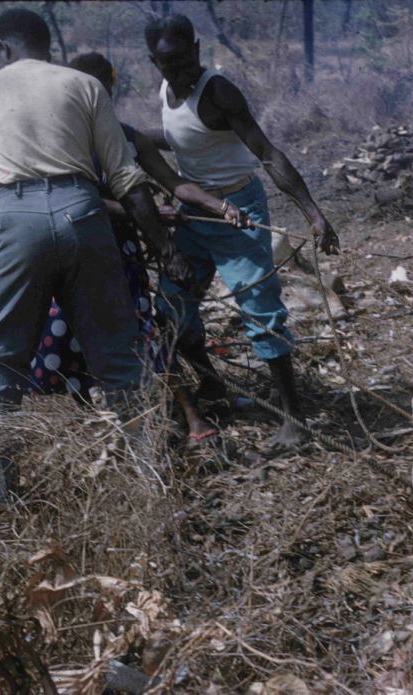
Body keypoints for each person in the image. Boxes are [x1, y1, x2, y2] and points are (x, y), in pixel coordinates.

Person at [0, 9, 193, 504]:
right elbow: (126, 178)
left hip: (17, 213)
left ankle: (1, 495)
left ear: (3, 48)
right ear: (47, 45)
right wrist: (165, 246)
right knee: (119, 357)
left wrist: (22, 212)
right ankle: (153, 484)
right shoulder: (84, 85)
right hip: (84, 214)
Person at [144, 13, 340, 454]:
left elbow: (267, 152)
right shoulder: (166, 90)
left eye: (184, 59)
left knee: (260, 310)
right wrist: (133, 138)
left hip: (239, 212)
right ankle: (213, 386)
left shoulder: (219, 91)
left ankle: (294, 420)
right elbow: (184, 137)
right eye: (167, 63)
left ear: (197, 50)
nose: (178, 70)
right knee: (173, 309)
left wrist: (313, 213)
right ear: (154, 62)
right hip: (194, 213)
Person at [29, 51, 247, 447]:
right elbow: (75, 201)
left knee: (142, 327)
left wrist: (219, 207)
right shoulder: (61, 142)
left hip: (121, 252)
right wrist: (143, 212)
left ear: (109, 89)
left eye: (101, 88)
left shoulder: (128, 137)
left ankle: (191, 415)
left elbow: (174, 182)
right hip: (74, 244)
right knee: (67, 330)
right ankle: (101, 418)